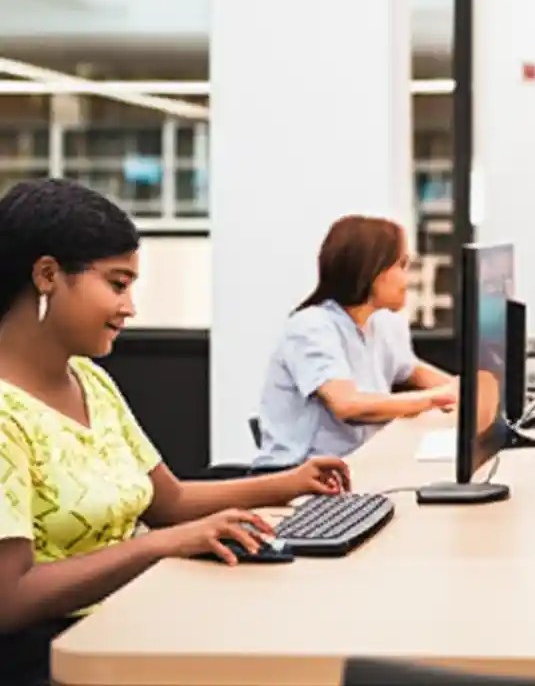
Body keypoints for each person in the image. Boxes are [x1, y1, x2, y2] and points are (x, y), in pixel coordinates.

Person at [0, 179, 353, 686]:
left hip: (129, 616)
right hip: (56, 657)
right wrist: (159, 546)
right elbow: (10, 598)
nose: (129, 307)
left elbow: (169, 501)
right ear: (48, 275)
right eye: (117, 284)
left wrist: (291, 482)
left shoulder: (90, 381)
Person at [253, 215, 457, 469]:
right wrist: (434, 399)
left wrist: (470, 389)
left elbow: (413, 371)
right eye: (402, 265)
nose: (408, 280)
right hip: (302, 475)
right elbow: (347, 405)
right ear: (371, 271)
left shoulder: (382, 323)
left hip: (360, 466)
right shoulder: (311, 327)